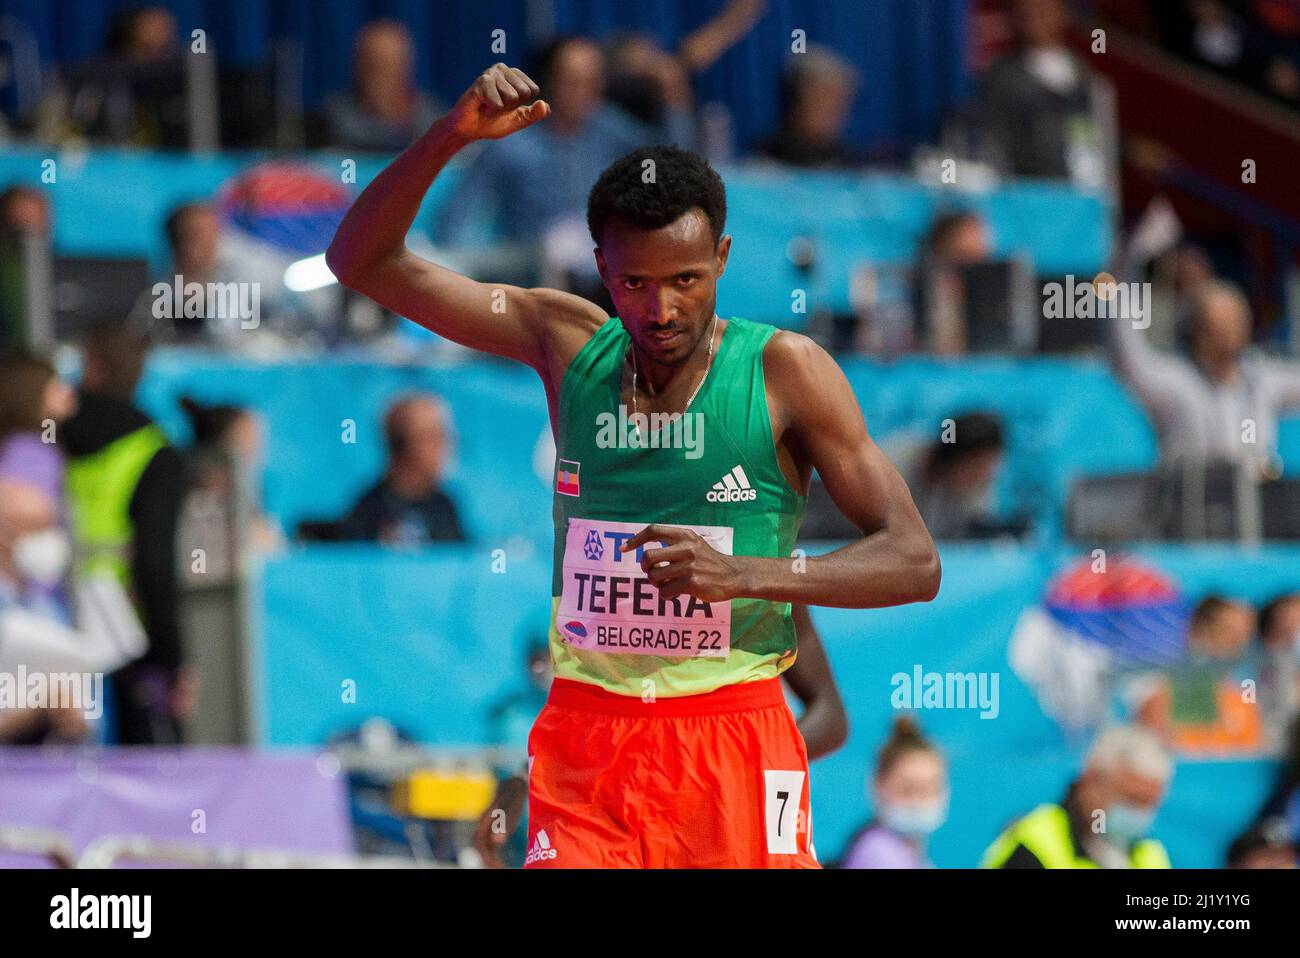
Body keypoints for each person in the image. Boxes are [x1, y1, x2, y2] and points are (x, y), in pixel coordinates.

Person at [328, 63, 939, 868]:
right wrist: (450, 138)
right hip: (587, 737)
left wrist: (744, 574)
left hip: (733, 731)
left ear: (721, 257)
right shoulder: (563, 339)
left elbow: (914, 559)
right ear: (600, 268)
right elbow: (360, 262)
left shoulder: (785, 371)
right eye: (634, 283)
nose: (661, 310)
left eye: (686, 280)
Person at [472, 603, 849, 868]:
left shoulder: (760, 546)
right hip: (605, 800)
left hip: (727, 804)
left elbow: (831, 717)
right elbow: (593, 721)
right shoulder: (601, 554)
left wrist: (741, 762)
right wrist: (526, 778)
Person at [62, 325, 192, 744]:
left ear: (90, 369)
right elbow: (155, 561)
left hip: (51, 610)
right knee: (143, 763)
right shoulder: (153, 450)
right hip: (125, 627)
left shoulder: (45, 435)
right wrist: (172, 658)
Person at [1108, 278, 1300, 468]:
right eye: (1214, 329)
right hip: (1191, 494)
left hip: (1256, 495)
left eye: (1233, 324)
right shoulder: (1177, 382)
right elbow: (1129, 358)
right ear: (1196, 332)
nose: (1226, 337)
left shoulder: (1262, 381)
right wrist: (1124, 272)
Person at [981, 723, 1173, 868]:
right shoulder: (1033, 845)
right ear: (1091, 781)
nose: (1139, 815)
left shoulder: (1151, 856)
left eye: (1149, 804)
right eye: (1131, 800)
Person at [338, 394, 465, 545]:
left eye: (443, 437)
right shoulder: (368, 510)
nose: (444, 447)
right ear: (402, 445)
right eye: (432, 437)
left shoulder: (444, 506)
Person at [839, 716, 948, 868]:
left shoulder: (913, 854)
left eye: (926, 790)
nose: (916, 802)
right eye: (906, 790)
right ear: (878, 785)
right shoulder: (876, 853)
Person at [321, 20, 440, 152]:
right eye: (373, 66)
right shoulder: (333, 117)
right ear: (357, 67)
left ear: (407, 67)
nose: (381, 77)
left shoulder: (429, 115)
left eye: (389, 66)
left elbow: (458, 159)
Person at [894, 411, 1009, 540]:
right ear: (951, 460)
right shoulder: (894, 467)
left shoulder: (977, 484)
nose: (984, 476)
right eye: (974, 469)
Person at [755, 45, 865, 169]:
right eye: (824, 99)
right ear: (796, 100)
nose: (835, 112)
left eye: (842, 102)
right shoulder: (759, 167)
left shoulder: (853, 170)